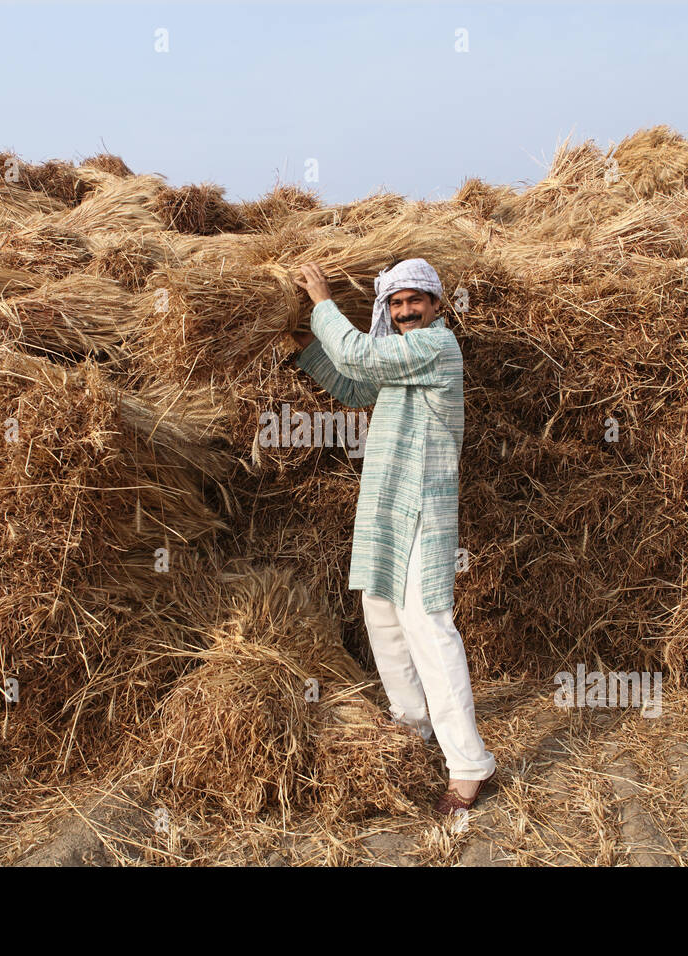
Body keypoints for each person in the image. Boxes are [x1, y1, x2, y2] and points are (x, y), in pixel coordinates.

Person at [290, 258, 496, 816]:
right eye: (395, 303)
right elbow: (356, 385)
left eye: (414, 301)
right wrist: (299, 341)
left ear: (435, 305)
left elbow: (358, 353)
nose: (405, 311)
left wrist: (321, 301)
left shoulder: (437, 346)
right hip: (386, 502)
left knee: (429, 624)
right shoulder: (404, 357)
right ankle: (412, 725)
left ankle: (469, 766)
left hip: (422, 507)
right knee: (381, 610)